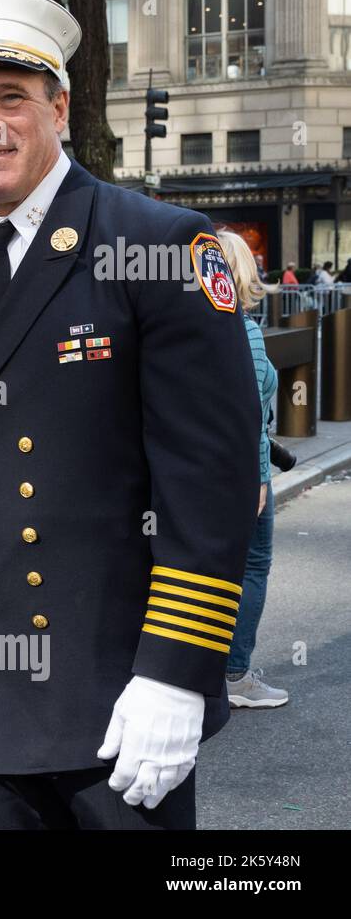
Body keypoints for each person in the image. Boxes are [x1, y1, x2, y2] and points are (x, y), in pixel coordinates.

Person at [0, 0, 257, 829]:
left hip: (116, 705)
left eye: (12, 98)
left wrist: (175, 674)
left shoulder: (156, 245)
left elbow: (210, 487)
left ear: (61, 107)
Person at [216, 231, 288, 709]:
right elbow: (249, 411)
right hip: (243, 472)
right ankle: (236, 674)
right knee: (252, 566)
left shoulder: (198, 330)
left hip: (204, 471)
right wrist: (259, 476)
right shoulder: (244, 329)